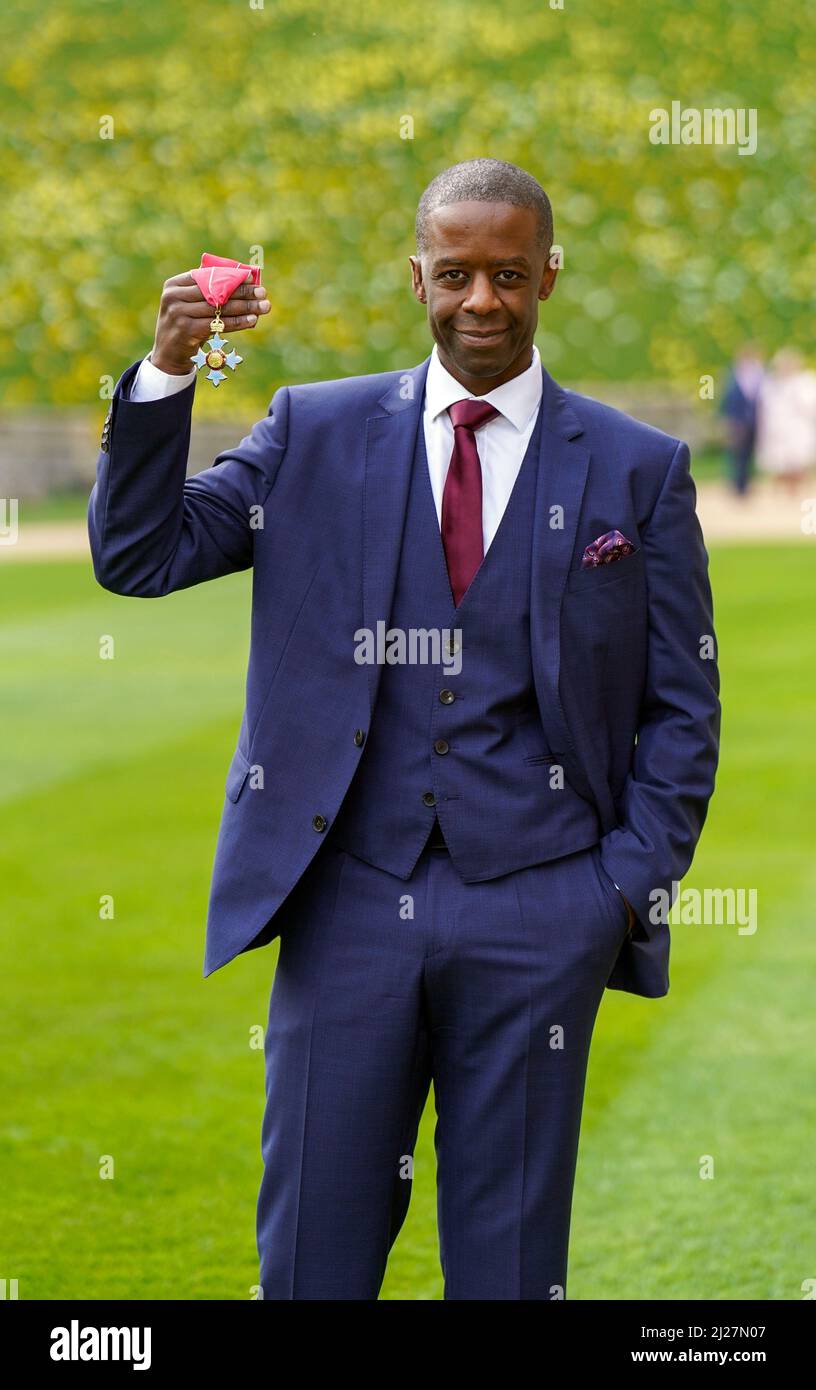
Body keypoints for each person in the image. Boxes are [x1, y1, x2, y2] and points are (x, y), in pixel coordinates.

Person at [88, 158, 721, 1300]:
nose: (483, 299)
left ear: (549, 277)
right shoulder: (312, 432)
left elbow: (684, 708)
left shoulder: (639, 467)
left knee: (509, 1272)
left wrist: (617, 891)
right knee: (312, 1265)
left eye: (510, 274)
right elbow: (143, 556)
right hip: (347, 907)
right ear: (416, 276)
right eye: (457, 273)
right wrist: (168, 368)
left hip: (544, 909)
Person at [754, 347, 816, 495]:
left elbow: (809, 406)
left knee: (797, 462)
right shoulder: (771, 384)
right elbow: (765, 408)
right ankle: (781, 491)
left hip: (797, 429)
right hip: (777, 429)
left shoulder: (804, 382)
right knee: (779, 463)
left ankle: (796, 491)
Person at [720, 344, 764, 496]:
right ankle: (737, 486)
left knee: (751, 453)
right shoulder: (731, 375)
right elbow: (724, 400)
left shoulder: (760, 375)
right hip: (737, 422)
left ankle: (747, 484)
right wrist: (726, 419)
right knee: (737, 453)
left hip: (755, 421)